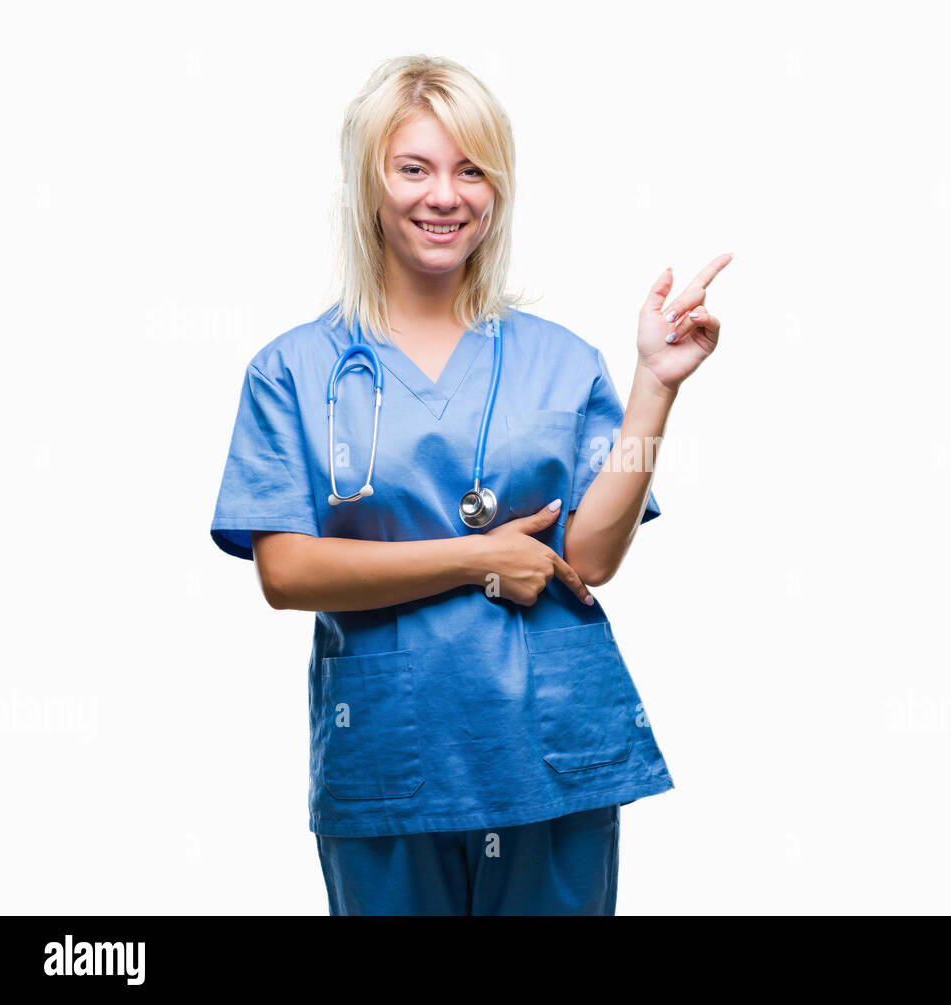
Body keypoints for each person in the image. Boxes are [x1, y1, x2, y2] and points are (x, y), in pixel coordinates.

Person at [209, 53, 730, 916]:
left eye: (471, 170)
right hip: (388, 757)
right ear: (368, 183)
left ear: (499, 188)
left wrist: (655, 386)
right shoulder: (293, 370)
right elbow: (286, 572)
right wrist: (477, 558)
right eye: (413, 168)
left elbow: (593, 556)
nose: (444, 196)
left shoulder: (561, 359)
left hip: (549, 750)